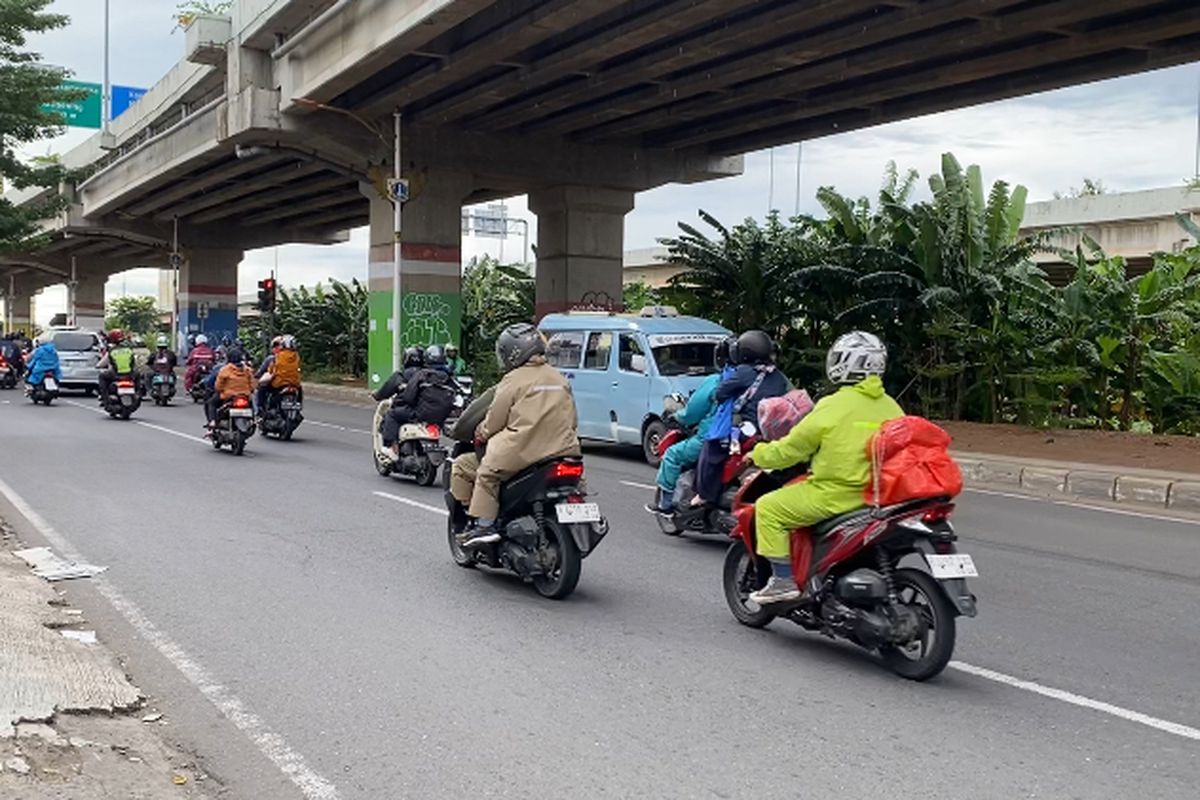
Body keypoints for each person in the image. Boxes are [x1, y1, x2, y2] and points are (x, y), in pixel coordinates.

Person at [744, 332, 903, 605]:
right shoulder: (892, 406)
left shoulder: (832, 405)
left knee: (768, 508)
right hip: (880, 498)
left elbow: (791, 449)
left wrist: (757, 454)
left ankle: (782, 580)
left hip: (834, 495)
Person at [453, 323, 581, 548]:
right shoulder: (559, 378)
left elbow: (494, 420)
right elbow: (573, 419)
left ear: (511, 352)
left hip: (522, 452)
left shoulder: (513, 380)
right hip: (564, 449)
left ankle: (484, 525)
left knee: (486, 474)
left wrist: (481, 434)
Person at [694, 330, 789, 504]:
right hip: (771, 430)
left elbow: (720, 393)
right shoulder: (778, 376)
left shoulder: (744, 371)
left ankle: (704, 494)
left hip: (747, 429)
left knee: (711, 449)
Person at [649, 335, 736, 513]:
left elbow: (692, 413)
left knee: (673, 454)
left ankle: (665, 505)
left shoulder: (717, 382)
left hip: (714, 438)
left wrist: (677, 416)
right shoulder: (758, 380)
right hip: (746, 438)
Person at [371, 345, 456, 456]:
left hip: (420, 413)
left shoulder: (420, 375)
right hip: (441, 417)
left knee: (391, 415)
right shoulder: (448, 377)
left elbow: (408, 397)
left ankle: (391, 447)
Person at [205, 347, 256, 428]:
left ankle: (212, 421)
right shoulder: (247, 370)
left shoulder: (225, 370)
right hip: (245, 395)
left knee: (211, 403)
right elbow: (253, 386)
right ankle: (253, 420)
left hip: (228, 396)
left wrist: (220, 390)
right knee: (251, 404)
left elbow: (218, 386)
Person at [257, 334, 302, 416]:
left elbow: (271, 370)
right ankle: (299, 407)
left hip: (280, 383)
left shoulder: (277, 356)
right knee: (300, 389)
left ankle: (261, 409)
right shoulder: (296, 356)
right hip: (294, 383)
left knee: (262, 388)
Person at [96, 329, 138, 402]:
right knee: (138, 375)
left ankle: (104, 397)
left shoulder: (112, 351)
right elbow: (134, 361)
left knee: (102, 376)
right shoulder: (129, 349)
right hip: (129, 374)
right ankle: (138, 392)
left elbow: (102, 363)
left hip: (116, 374)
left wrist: (98, 366)